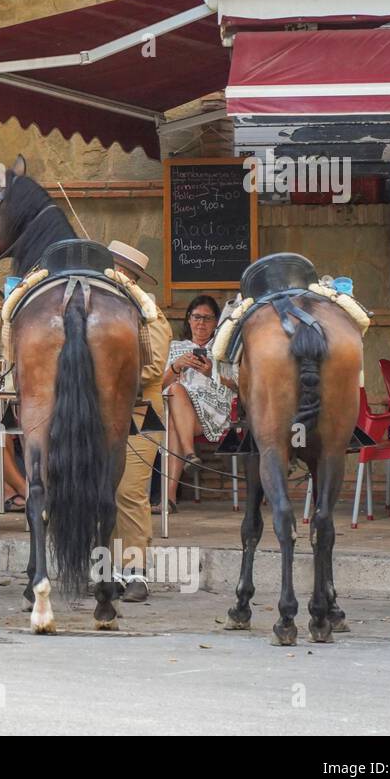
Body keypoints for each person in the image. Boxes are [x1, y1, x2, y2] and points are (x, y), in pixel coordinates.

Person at [106, 241, 171, 602]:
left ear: (129, 278)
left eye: (115, 271)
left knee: (129, 491)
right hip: (106, 412)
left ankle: (136, 573)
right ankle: (108, 570)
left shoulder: (151, 315)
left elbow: (153, 367)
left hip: (141, 412)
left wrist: (105, 378)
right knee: (105, 490)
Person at [161, 294, 237, 514]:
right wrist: (176, 367)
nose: (201, 323)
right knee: (174, 395)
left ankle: (170, 494)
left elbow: (238, 386)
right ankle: (187, 456)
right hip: (183, 413)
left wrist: (212, 372)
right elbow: (158, 387)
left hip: (215, 410)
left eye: (207, 318)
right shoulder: (176, 347)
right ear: (188, 319)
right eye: (196, 317)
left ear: (216, 323)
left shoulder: (223, 350)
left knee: (173, 412)